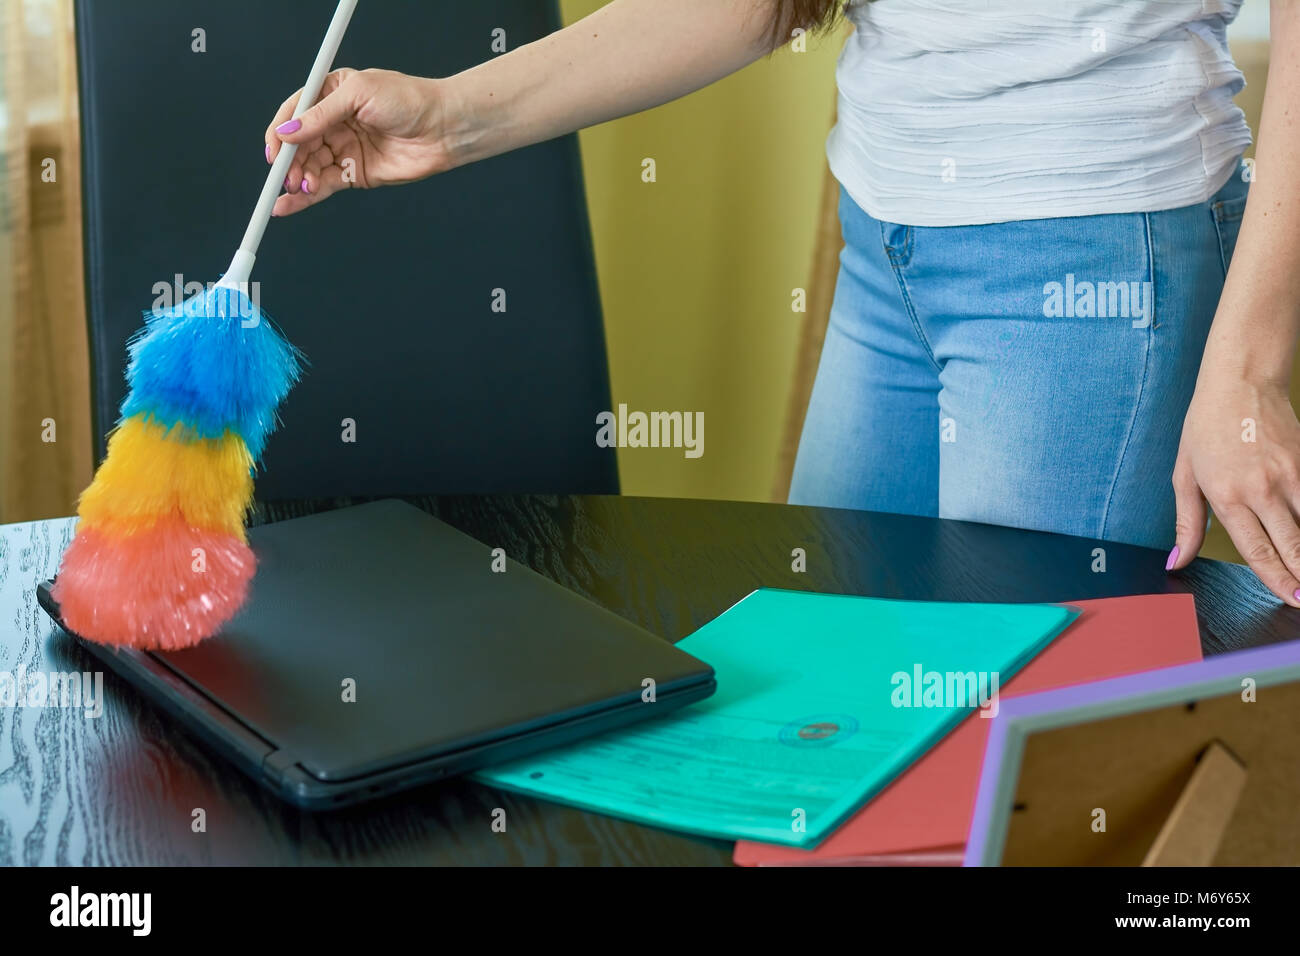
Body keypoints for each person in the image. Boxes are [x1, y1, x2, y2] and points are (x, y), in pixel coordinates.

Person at [264, 0, 1300, 607]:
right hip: (884, 241)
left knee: (1000, 770)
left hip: (1093, 255)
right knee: (837, 716)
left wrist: (1244, 368)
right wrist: (448, 116)